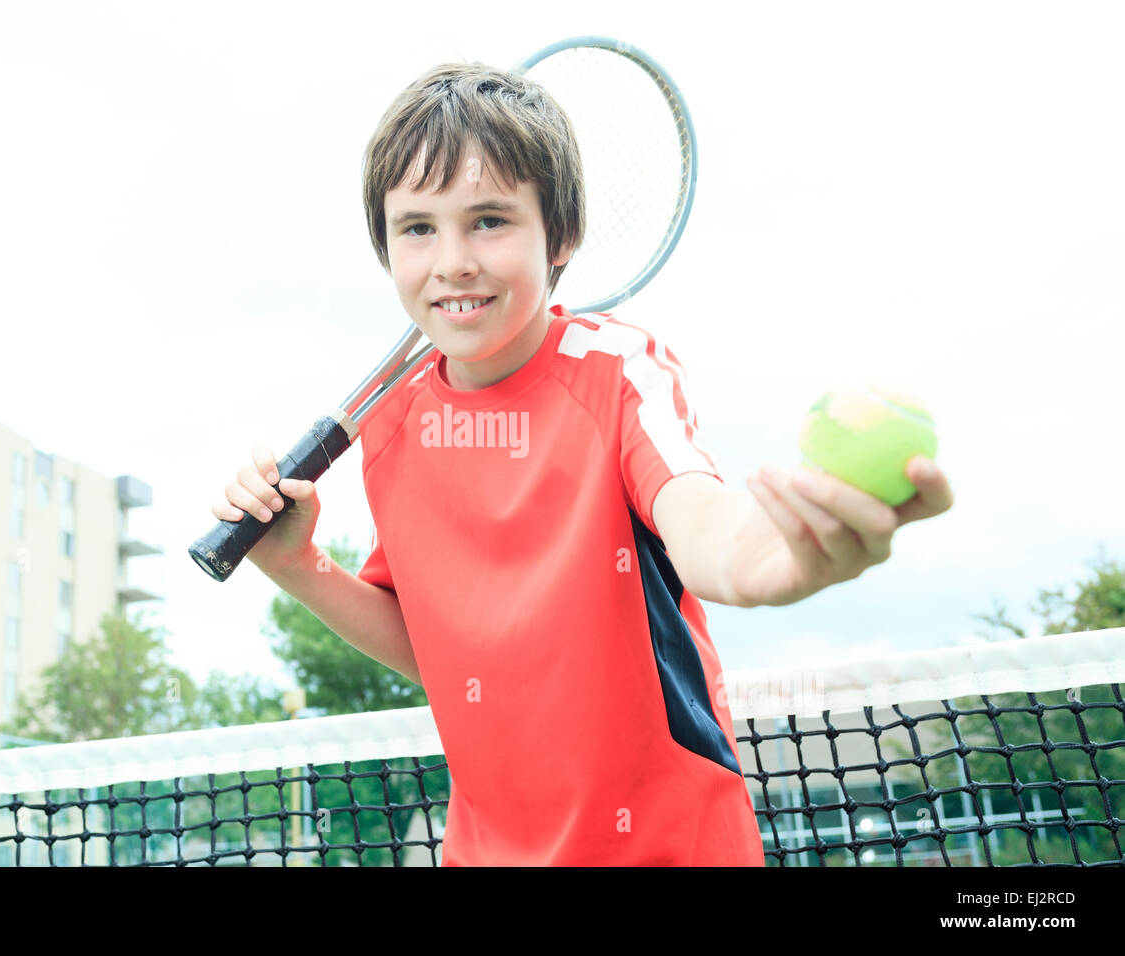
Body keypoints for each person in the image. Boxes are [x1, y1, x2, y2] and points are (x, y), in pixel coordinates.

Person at [211, 62, 954, 865]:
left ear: (561, 236)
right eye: (418, 227)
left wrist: (764, 564)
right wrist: (298, 567)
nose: (453, 260)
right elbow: (441, 647)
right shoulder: (391, 421)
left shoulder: (619, 372)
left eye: (490, 220)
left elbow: (707, 529)